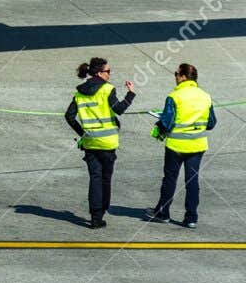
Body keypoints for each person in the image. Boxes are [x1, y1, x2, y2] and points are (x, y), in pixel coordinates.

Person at [64, 56, 135, 229]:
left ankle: (95, 217)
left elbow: (69, 117)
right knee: (105, 179)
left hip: (90, 143)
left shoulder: (79, 93)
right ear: (100, 73)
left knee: (94, 178)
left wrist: (83, 133)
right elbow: (119, 109)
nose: (110, 74)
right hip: (107, 143)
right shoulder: (107, 89)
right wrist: (131, 94)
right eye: (108, 71)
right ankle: (102, 211)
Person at [145, 63, 217, 229]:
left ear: (183, 77)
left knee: (170, 179)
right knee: (192, 181)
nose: (175, 77)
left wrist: (159, 125)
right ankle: (191, 217)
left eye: (176, 74)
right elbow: (211, 123)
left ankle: (163, 213)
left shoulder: (174, 96)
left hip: (176, 146)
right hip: (197, 146)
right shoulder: (206, 96)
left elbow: (167, 123)